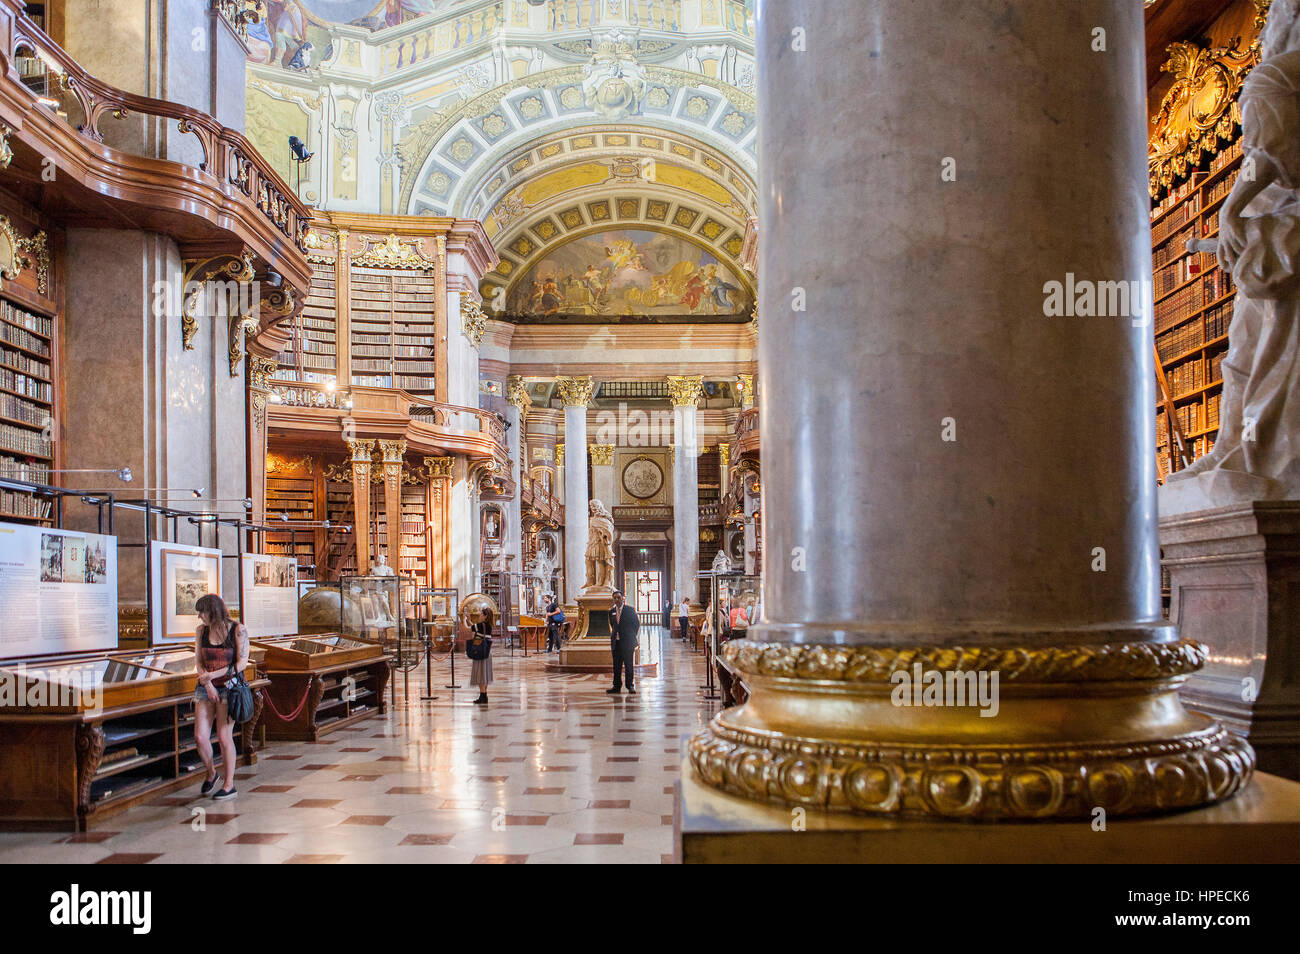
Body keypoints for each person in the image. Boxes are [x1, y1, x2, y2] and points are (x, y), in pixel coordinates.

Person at [193, 594, 248, 801]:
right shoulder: (201, 632)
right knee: (200, 736)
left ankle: (229, 784)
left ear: (213, 612)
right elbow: (198, 661)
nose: (199, 616)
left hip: (229, 688)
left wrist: (214, 676)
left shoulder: (237, 630)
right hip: (206, 688)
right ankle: (211, 772)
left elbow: (242, 662)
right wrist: (207, 683)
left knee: (224, 736)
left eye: (202, 612)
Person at [607, 589, 639, 695]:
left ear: (622, 598)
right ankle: (616, 686)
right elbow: (613, 626)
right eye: (615, 598)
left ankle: (630, 685)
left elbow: (636, 624)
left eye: (618, 597)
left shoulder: (630, 610)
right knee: (616, 666)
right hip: (616, 643)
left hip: (628, 642)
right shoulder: (611, 611)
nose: (617, 600)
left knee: (629, 665)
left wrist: (631, 636)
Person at [468, 608, 494, 705]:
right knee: (485, 674)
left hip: (480, 652)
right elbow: (473, 626)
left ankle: (483, 695)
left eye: (481, 614)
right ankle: (484, 695)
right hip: (487, 652)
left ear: (485, 616)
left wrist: (467, 619)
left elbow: (469, 627)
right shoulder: (489, 626)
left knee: (480, 674)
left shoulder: (479, 625)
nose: (479, 615)